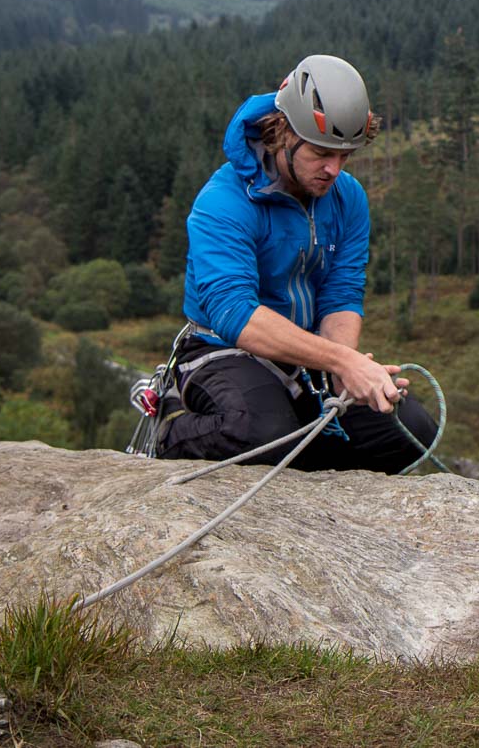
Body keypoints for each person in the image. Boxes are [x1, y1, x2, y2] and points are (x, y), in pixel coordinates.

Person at [155, 53, 437, 472]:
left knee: (411, 430)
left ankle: (295, 459)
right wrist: (341, 361)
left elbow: (341, 292)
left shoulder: (347, 198)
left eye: (345, 155)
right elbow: (234, 313)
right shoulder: (224, 201)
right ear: (283, 132)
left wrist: (345, 370)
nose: (333, 170)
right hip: (221, 350)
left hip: (305, 357)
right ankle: (173, 430)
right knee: (261, 433)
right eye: (321, 153)